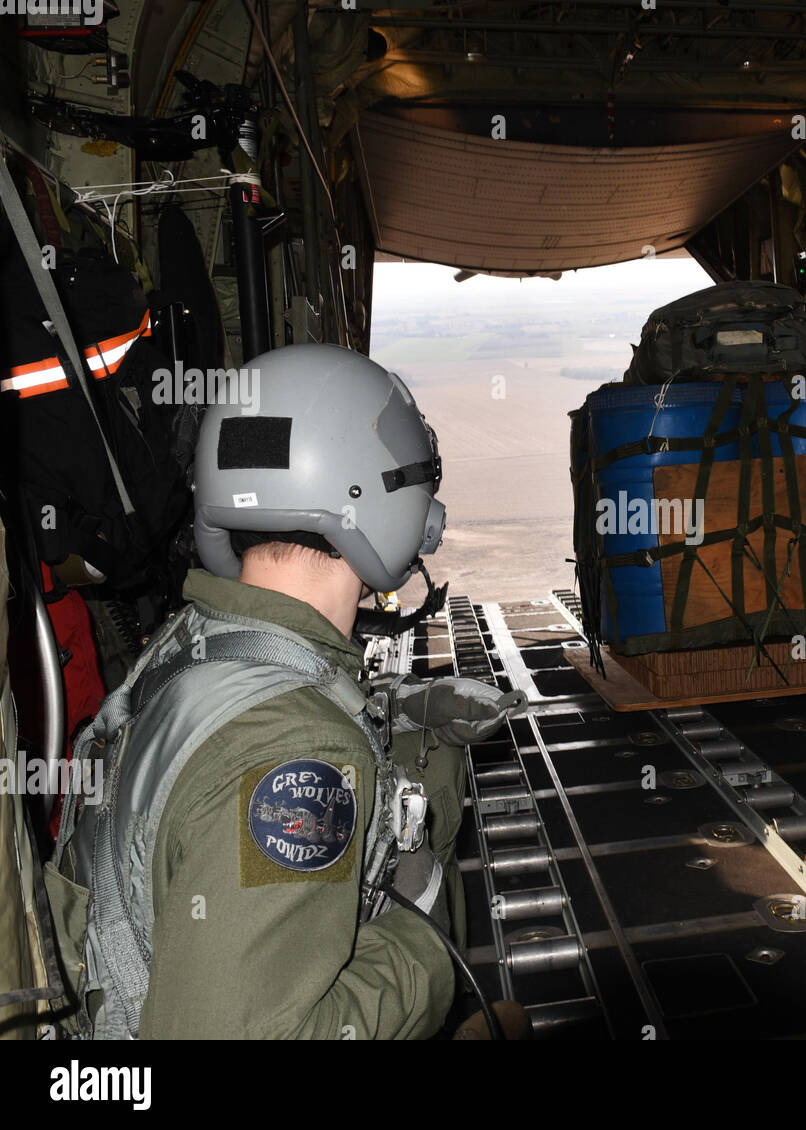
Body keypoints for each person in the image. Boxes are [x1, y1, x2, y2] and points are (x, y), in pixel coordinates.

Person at [48, 343, 521, 1039]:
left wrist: (391, 711)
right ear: (376, 497)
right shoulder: (297, 754)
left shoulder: (193, 646)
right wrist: (424, 938)